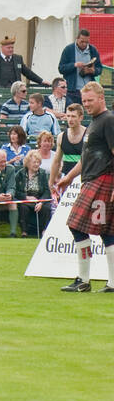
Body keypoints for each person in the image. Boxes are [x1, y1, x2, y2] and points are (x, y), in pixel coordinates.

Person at [58, 82, 114, 292]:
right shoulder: (94, 122)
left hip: (102, 180)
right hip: (93, 179)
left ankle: (83, 279)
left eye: (90, 100)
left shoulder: (108, 120)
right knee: (107, 232)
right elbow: (85, 158)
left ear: (101, 98)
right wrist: (69, 178)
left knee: (76, 225)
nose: (87, 104)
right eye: (84, 101)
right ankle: (111, 283)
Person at [49, 102, 87, 193]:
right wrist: (51, 182)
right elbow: (56, 161)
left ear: (81, 117)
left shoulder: (88, 135)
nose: (70, 119)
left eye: (73, 116)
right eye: (68, 116)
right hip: (66, 178)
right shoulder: (61, 136)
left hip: (84, 179)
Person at [58, 28, 102, 104]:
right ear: (77, 39)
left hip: (89, 91)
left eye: (86, 42)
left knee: (88, 114)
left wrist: (93, 71)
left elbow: (100, 69)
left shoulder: (93, 50)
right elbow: (61, 68)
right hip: (72, 91)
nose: (84, 44)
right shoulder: (68, 49)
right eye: (82, 41)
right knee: (73, 113)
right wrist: (74, 65)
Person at [15, 150, 52, 238]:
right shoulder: (20, 174)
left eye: (38, 162)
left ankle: (44, 230)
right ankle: (24, 232)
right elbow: (15, 191)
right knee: (24, 207)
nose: (36, 164)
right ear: (28, 163)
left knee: (46, 208)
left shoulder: (43, 174)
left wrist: (41, 202)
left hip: (39, 199)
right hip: (26, 199)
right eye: (34, 162)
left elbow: (47, 191)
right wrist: (26, 197)